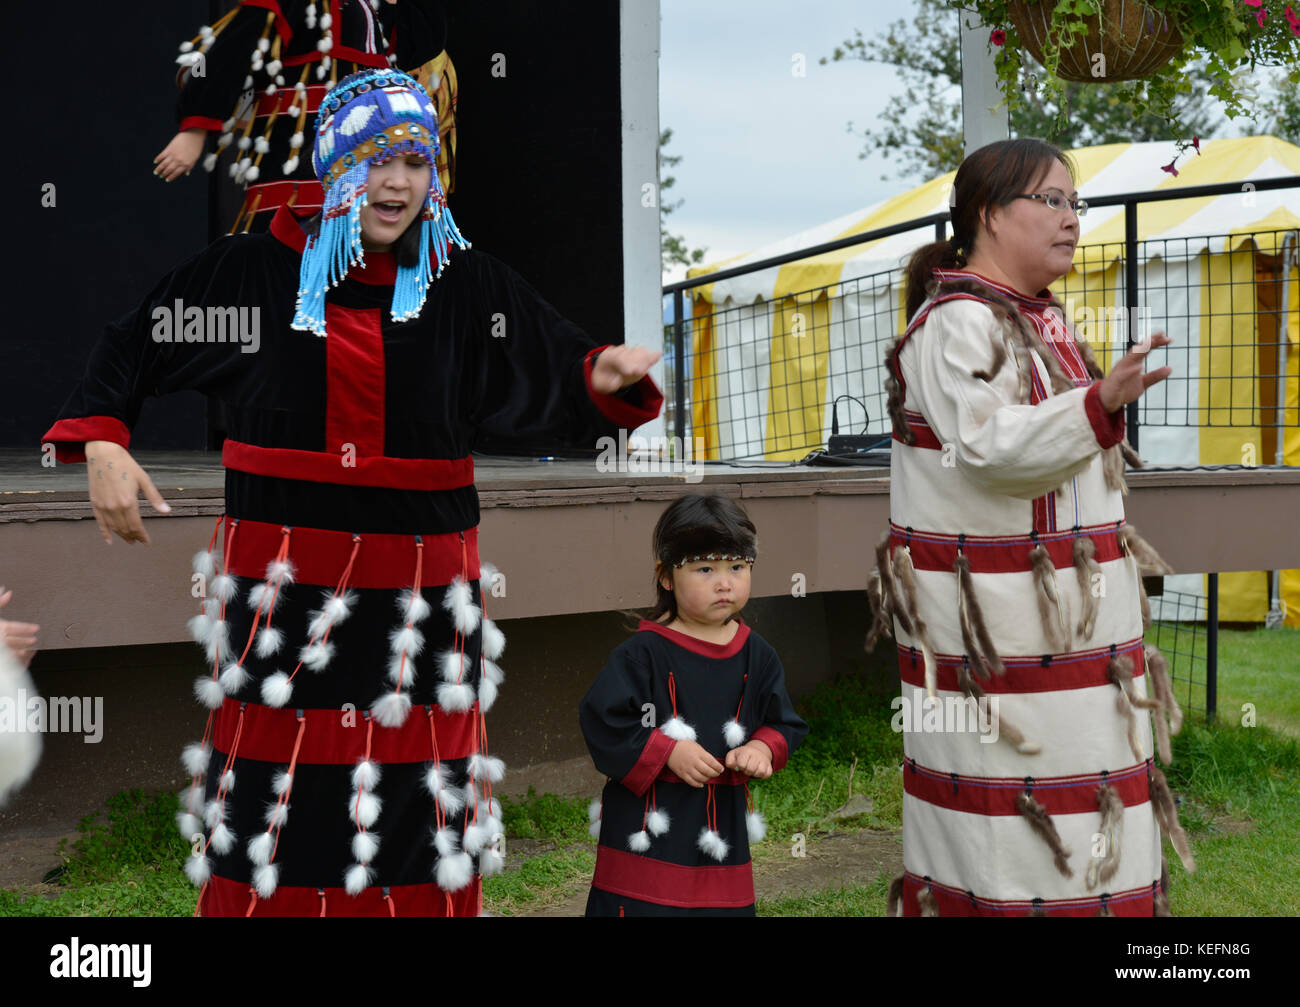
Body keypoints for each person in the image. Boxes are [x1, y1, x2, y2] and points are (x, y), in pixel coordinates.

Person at [43, 68, 663, 917]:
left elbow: (552, 361)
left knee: (420, 798)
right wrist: (104, 440)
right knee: (281, 801)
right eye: (375, 161)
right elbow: (131, 346)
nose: (397, 182)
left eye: (414, 161)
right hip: (285, 596)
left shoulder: (464, 281)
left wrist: (604, 374)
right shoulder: (252, 274)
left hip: (421, 600)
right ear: (336, 168)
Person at [865, 138, 1194, 917]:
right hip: (995, 641)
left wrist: (1096, 402)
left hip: (1072, 640)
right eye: (1052, 200)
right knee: (1004, 834)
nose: (1072, 220)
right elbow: (988, 450)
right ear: (987, 213)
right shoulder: (954, 324)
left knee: (1088, 810)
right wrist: (1097, 403)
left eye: (1076, 203)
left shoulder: (1039, 321)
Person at [579, 494, 808, 916]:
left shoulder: (758, 655)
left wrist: (761, 748)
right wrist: (668, 751)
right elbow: (603, 719)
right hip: (646, 826)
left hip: (721, 829)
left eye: (737, 567)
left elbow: (783, 723)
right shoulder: (642, 654)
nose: (725, 583)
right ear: (666, 577)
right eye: (706, 569)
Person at [156, 0, 451, 233]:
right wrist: (194, 129)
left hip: (362, 182)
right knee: (290, 269)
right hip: (299, 175)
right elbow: (241, 43)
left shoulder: (370, 7)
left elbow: (421, 45)